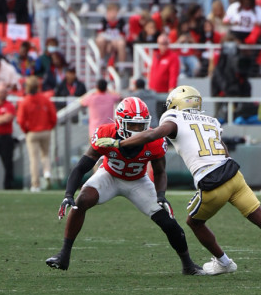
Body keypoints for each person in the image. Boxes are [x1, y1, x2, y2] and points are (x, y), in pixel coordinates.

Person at [115, 85, 261, 278]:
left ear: (177, 103)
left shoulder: (173, 117)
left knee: (194, 223)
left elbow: (151, 135)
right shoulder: (211, 121)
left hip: (212, 180)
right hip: (233, 175)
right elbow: (224, 151)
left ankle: (224, 262)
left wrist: (120, 143)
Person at [46, 96, 202, 275]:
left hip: (138, 181)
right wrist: (68, 194)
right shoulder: (106, 133)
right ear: (120, 122)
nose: (137, 130)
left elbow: (159, 172)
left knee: (168, 223)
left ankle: (188, 264)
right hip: (109, 176)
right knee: (81, 201)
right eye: (132, 125)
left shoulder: (155, 140)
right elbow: (82, 166)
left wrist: (161, 195)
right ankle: (64, 255)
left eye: (141, 126)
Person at [17, 76, 57, 192]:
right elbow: (53, 116)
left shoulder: (24, 101)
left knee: (34, 159)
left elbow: (20, 120)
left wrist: (26, 130)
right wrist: (49, 127)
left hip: (32, 132)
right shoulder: (45, 99)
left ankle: (35, 184)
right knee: (46, 154)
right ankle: (47, 172)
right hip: (45, 131)